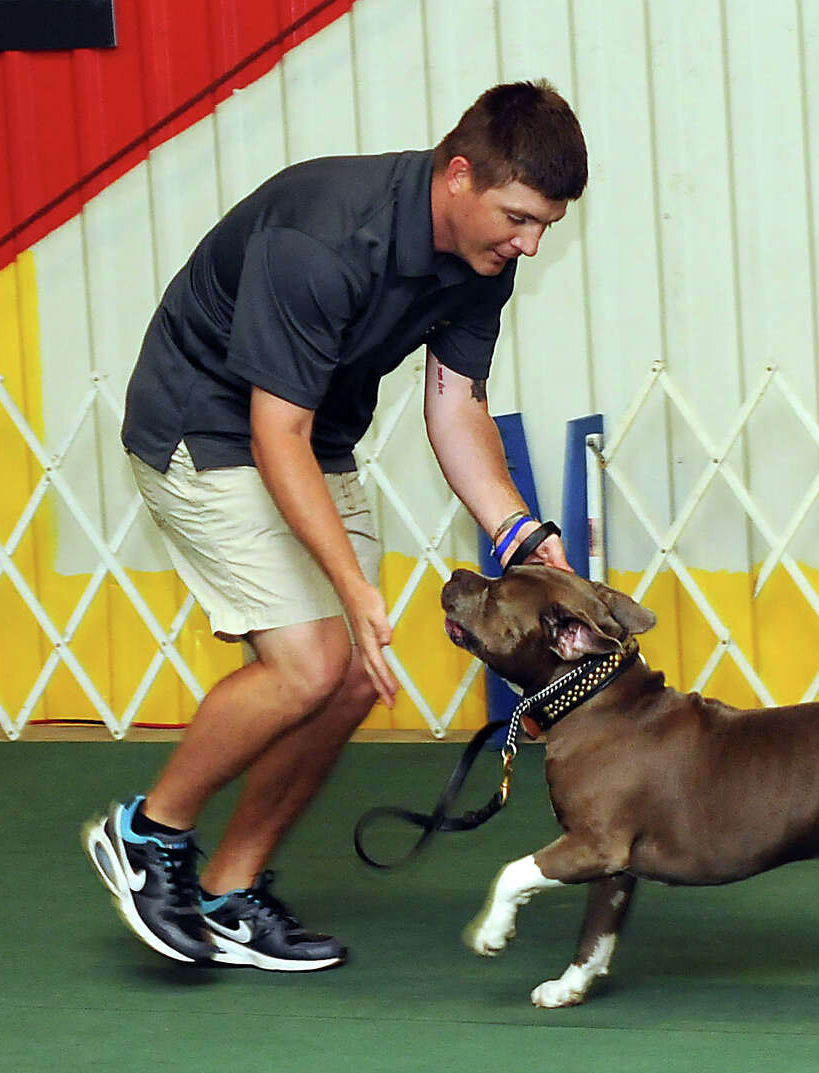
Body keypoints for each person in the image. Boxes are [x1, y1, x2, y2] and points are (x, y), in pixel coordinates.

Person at [82, 80, 585, 972]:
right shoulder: (324, 236)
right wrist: (354, 592)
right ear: (459, 176)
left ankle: (230, 893)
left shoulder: (484, 259)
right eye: (519, 217)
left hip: (311, 436)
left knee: (352, 677)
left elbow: (454, 406)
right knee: (313, 658)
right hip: (204, 426)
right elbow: (273, 432)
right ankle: (148, 832)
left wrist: (516, 531)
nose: (530, 243)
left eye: (545, 224)